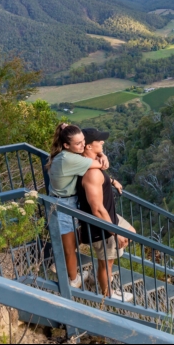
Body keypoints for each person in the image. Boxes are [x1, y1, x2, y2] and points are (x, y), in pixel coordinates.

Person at [76, 127, 136, 301]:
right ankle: (107, 294)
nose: (102, 142)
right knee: (107, 261)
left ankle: (101, 279)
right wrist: (114, 232)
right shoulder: (92, 174)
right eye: (99, 140)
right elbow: (97, 209)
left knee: (130, 233)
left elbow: (101, 178)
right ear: (87, 146)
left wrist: (113, 181)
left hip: (110, 216)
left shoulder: (93, 162)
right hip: (101, 223)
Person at [46, 123, 109, 288]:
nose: (82, 146)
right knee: (69, 247)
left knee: (74, 241)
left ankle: (63, 263)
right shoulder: (70, 159)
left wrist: (100, 152)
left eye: (83, 142)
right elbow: (101, 165)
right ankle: (74, 280)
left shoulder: (65, 153)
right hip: (62, 205)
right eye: (78, 143)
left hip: (68, 201)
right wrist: (102, 155)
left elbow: (89, 151)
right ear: (67, 145)